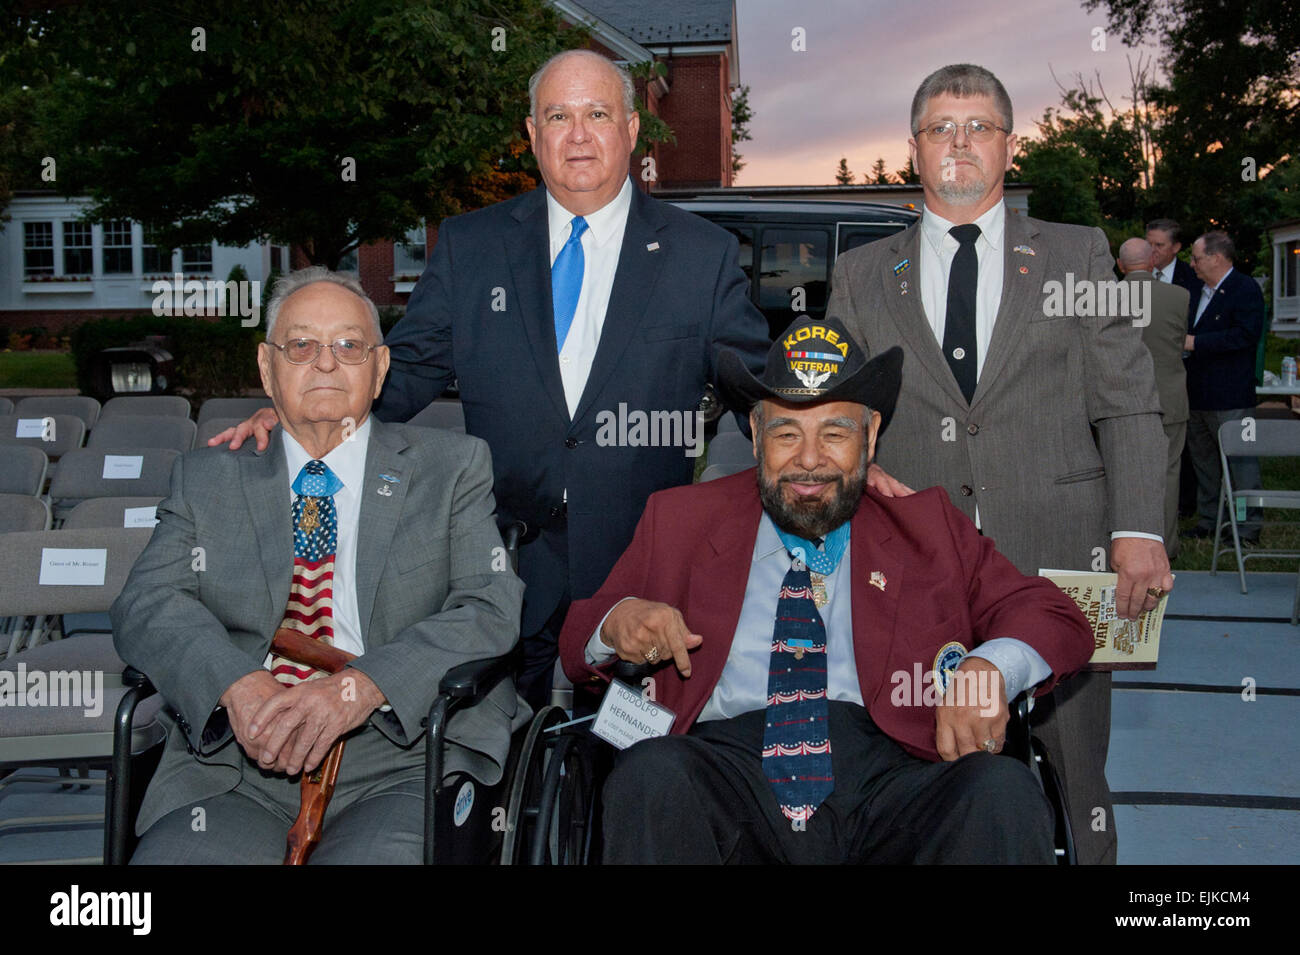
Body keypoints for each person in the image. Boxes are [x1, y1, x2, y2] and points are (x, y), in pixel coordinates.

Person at [215, 50, 770, 710]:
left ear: (631, 130)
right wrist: (309, 413)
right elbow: (405, 367)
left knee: (631, 771)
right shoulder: (472, 246)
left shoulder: (698, 255)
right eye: (558, 116)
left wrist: (829, 448)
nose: (579, 134)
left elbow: (756, 388)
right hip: (504, 559)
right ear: (533, 135)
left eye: (598, 114)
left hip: (640, 569)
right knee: (498, 768)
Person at [559, 316, 1094, 864]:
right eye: (787, 433)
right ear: (755, 430)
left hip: (894, 774)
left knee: (1000, 791)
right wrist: (618, 622)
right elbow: (581, 633)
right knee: (650, 777)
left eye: (834, 434)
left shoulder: (927, 526)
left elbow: (1053, 615)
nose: (809, 459)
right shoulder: (679, 519)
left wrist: (989, 671)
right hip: (724, 774)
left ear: (870, 435)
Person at [823, 63, 1173, 865]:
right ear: (914, 148)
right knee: (932, 772)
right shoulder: (863, 273)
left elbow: (1128, 402)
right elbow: (834, 406)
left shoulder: (1082, 256)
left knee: (1077, 777)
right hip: (917, 569)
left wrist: (1138, 527)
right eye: (941, 128)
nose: (960, 143)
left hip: (1064, 561)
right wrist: (855, 461)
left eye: (978, 126)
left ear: (1010, 147)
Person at [112, 268, 527, 864]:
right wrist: (236, 683)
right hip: (236, 764)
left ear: (380, 368)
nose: (326, 364)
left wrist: (356, 691)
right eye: (301, 345)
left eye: (348, 346)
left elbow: (488, 606)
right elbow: (147, 603)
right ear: (266, 366)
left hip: (399, 755)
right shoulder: (209, 477)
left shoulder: (451, 468)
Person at [1182, 230, 1265, 543]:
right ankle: (1209, 521)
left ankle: (1246, 526)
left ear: (1216, 257)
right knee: (1205, 465)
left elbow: (1245, 336)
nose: (1191, 264)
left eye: (1196, 257)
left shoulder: (1245, 289)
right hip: (1198, 395)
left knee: (1240, 465)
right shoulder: (1197, 291)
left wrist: (1196, 342)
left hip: (1231, 397)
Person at [1117, 237, 1190, 559]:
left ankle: (1122, 543)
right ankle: (1165, 546)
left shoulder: (1103, 298)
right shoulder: (1179, 296)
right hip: (1169, 397)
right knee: (1168, 473)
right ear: (1152, 264)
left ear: (1120, 266)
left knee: (1118, 472)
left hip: (1119, 401)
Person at [1146, 218, 1204, 302]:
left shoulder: (1193, 278)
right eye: (1148, 244)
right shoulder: (1137, 273)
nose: (1152, 250)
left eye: (1159, 245)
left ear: (1176, 247)